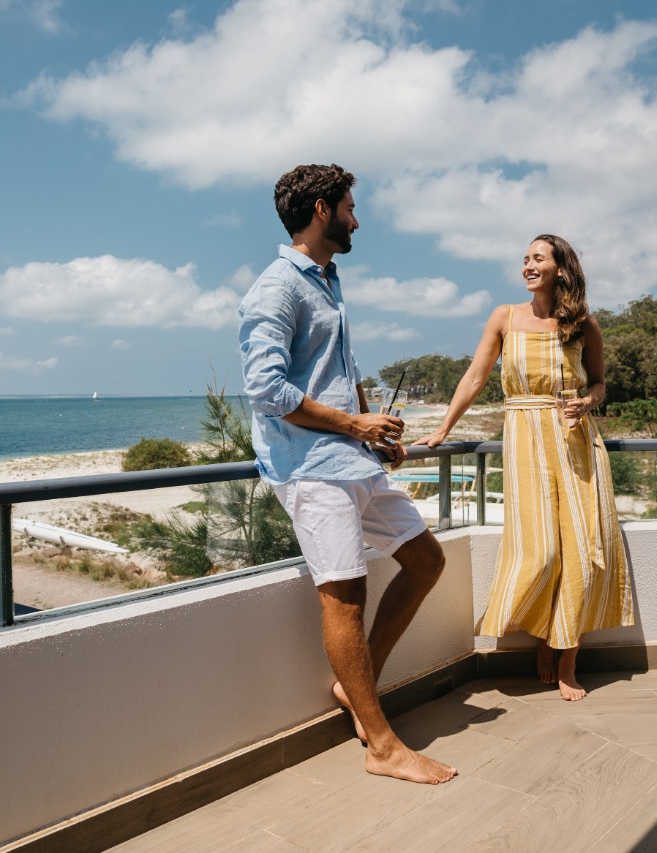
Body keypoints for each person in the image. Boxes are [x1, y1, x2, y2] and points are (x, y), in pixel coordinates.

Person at [238, 164, 457, 784]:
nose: (357, 219)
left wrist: (371, 431)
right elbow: (265, 390)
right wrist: (352, 425)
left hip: (350, 457)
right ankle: (382, 746)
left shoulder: (327, 281)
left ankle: (354, 689)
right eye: (350, 208)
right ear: (320, 210)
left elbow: (337, 371)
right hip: (310, 468)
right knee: (346, 599)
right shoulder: (275, 288)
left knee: (426, 561)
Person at [413, 234, 633, 701]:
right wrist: (442, 431)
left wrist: (585, 403)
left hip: (575, 442)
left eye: (538, 259)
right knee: (541, 552)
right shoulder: (504, 317)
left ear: (560, 268)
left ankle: (566, 655)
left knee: (582, 549)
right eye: (525, 259)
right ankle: (542, 637)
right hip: (524, 440)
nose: (528, 265)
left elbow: (599, 386)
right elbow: (475, 376)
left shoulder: (582, 324)